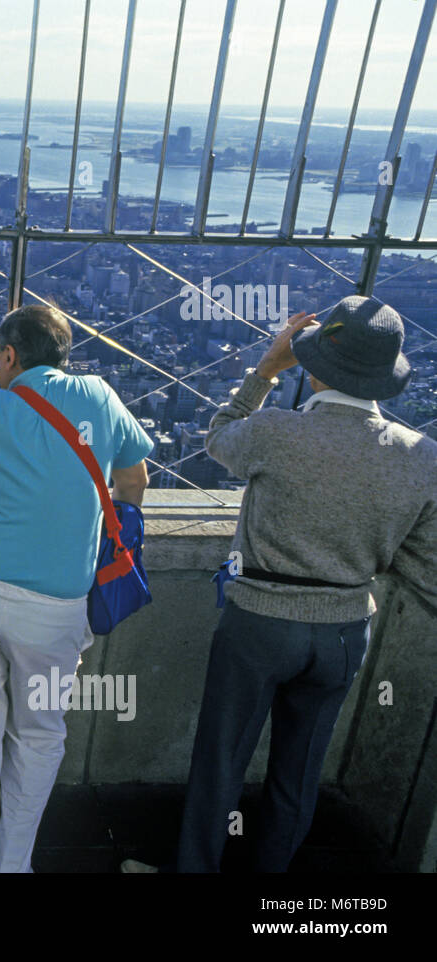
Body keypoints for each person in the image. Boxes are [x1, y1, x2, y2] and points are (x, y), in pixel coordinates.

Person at [126, 296, 437, 873]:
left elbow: (218, 437)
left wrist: (266, 370)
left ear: (313, 365)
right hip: (345, 630)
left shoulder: (274, 431)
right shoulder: (423, 459)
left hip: (260, 623)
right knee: (299, 775)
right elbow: (425, 564)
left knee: (221, 761)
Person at [0, 302, 153, 873]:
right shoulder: (98, 397)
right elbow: (134, 480)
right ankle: (10, 866)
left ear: (10, 355)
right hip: (57, 610)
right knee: (39, 738)